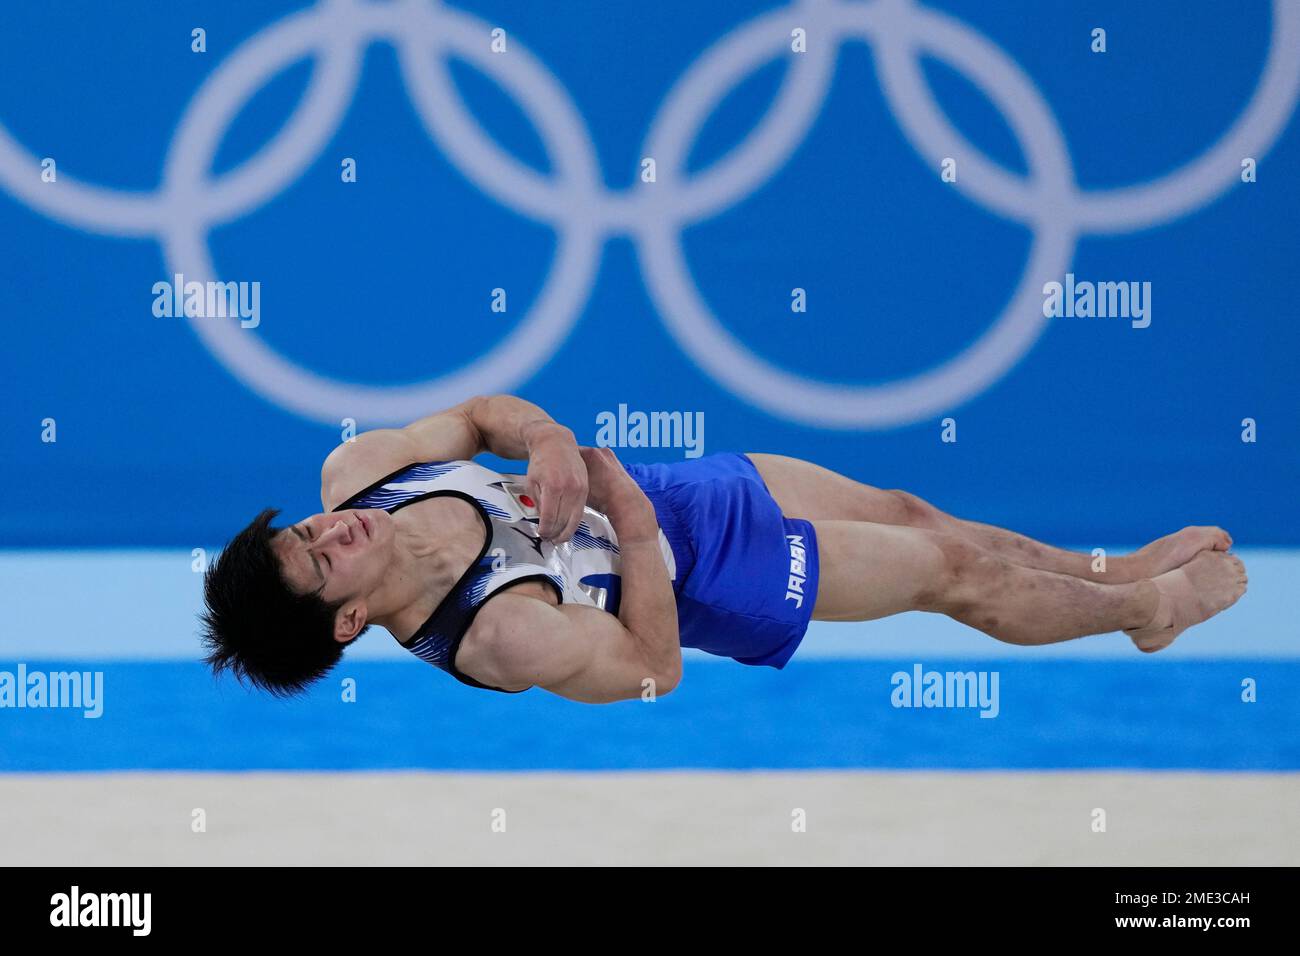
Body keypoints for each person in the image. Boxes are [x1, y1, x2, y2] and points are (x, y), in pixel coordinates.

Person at [199, 394, 1246, 702]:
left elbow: (479, 412)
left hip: (670, 490)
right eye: (324, 558)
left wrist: (554, 442)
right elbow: (652, 670)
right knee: (948, 577)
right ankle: (1144, 612)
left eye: (306, 526)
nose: (332, 526)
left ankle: (1106, 568)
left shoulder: (360, 474)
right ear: (346, 620)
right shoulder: (498, 636)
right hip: (704, 571)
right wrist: (640, 534)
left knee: (910, 509)